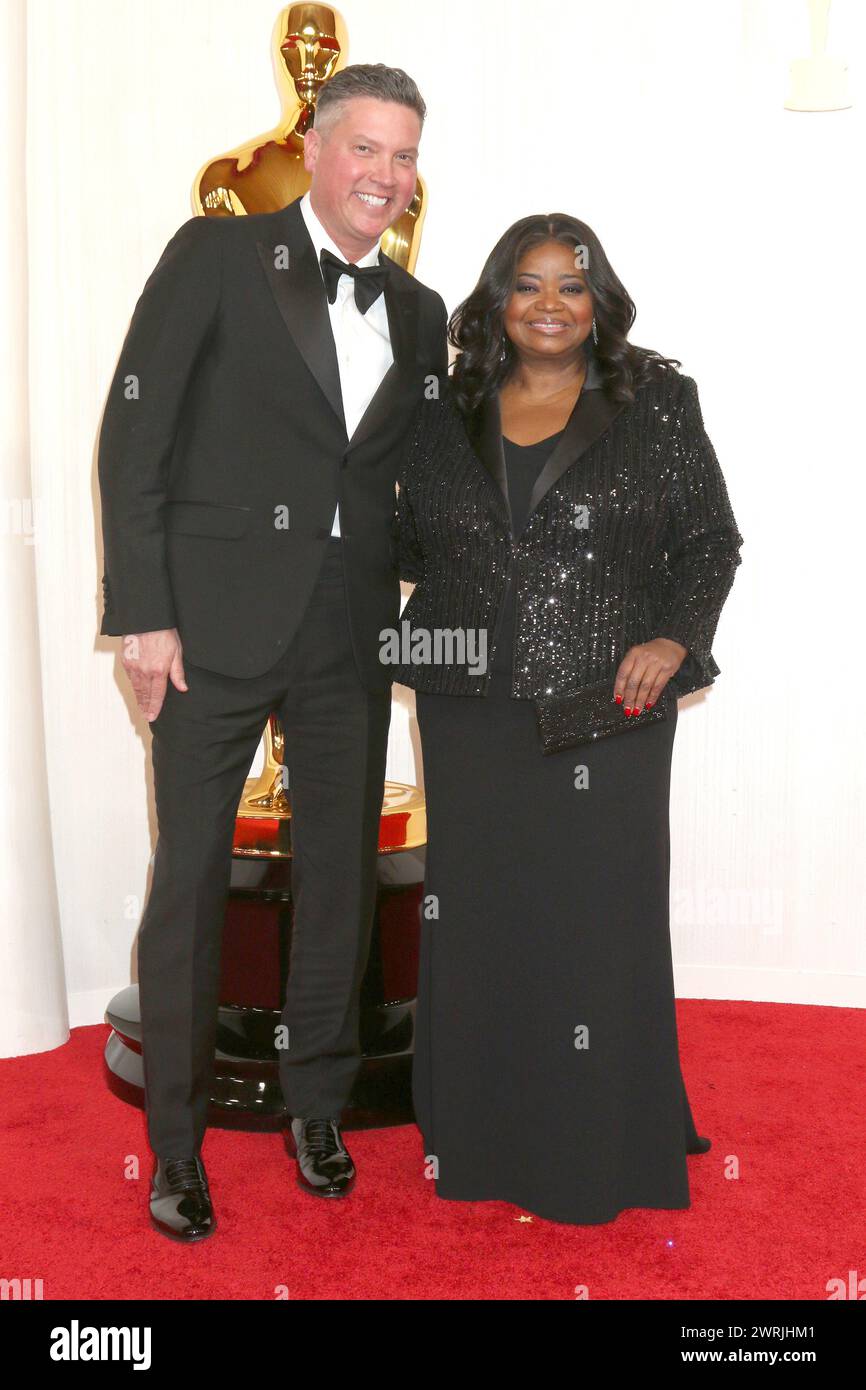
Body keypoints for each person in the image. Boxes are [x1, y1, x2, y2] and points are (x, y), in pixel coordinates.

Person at [98, 64, 447, 1241]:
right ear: (317, 145)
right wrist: (141, 613)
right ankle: (178, 1146)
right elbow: (133, 434)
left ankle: (317, 1105)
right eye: (366, 151)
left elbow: (421, 484)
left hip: (346, 630)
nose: (384, 179)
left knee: (340, 880)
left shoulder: (418, 311)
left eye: (402, 158)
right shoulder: (219, 255)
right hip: (208, 629)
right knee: (192, 882)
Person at [392, 214, 744, 1224]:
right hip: (466, 699)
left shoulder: (655, 400)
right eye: (526, 284)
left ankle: (601, 1140)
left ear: (600, 303)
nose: (548, 303)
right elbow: (410, 539)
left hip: (609, 702)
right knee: (479, 917)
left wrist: (673, 638)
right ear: (496, 298)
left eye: (571, 286)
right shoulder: (439, 404)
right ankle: (478, 1130)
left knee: (596, 922)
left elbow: (709, 541)